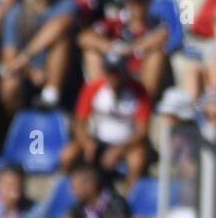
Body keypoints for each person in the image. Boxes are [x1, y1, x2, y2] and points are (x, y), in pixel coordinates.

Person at [61, 52, 153, 190]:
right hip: (98, 140)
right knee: (68, 155)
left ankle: (129, 198)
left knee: (137, 160)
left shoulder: (139, 92)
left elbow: (142, 131)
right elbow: (79, 123)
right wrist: (86, 142)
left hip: (126, 143)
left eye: (117, 72)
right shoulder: (93, 88)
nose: (113, 77)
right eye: (110, 72)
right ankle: (73, 192)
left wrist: (119, 150)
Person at [0, 0, 74, 115]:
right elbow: (9, 57)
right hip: (27, 74)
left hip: (61, 74)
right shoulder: (16, 12)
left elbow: (60, 25)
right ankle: (16, 123)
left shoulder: (66, 4)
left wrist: (25, 57)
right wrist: (31, 72)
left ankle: (50, 97)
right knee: (9, 86)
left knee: (61, 41)